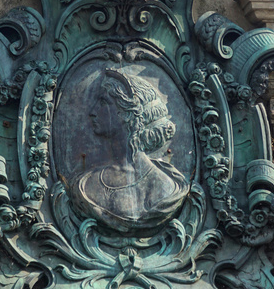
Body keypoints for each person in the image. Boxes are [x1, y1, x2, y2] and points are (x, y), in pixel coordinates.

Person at [72, 69, 188, 234]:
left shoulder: (164, 187)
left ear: (126, 114)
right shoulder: (86, 185)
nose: (93, 111)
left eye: (103, 102)